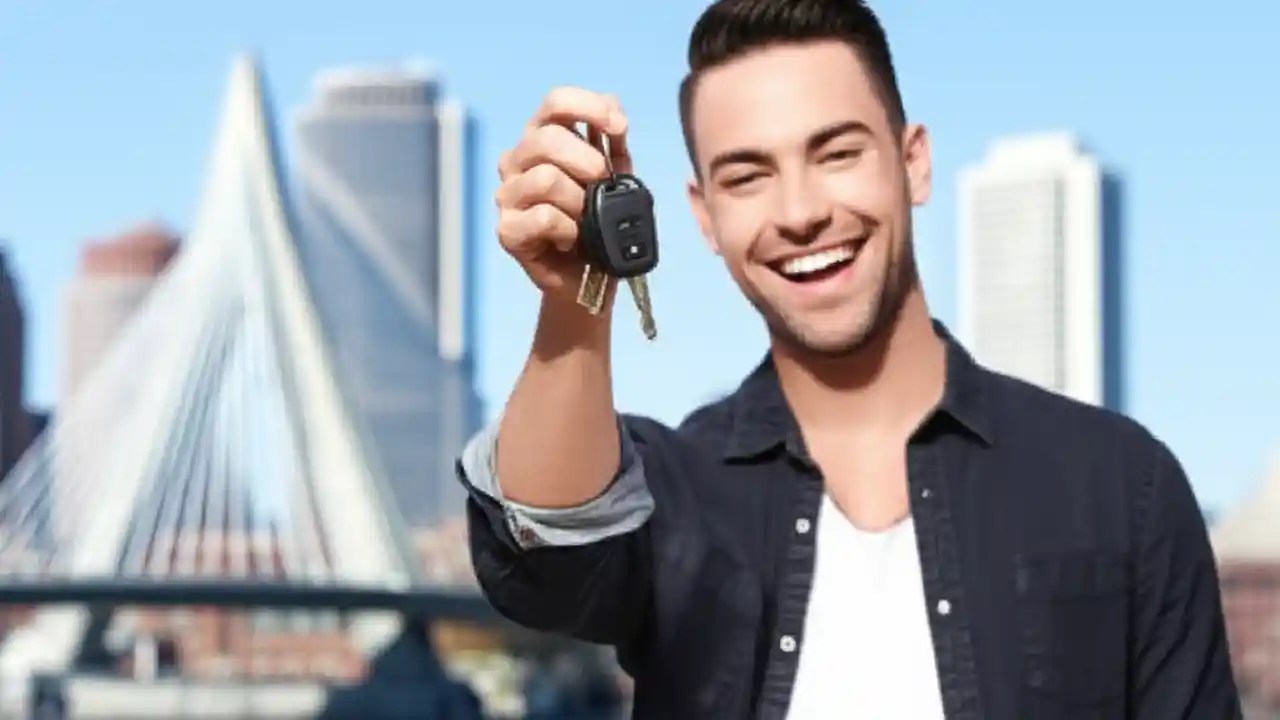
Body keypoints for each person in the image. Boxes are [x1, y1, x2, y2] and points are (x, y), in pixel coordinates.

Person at [458, 0, 1242, 717]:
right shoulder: (673, 492)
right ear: (704, 216)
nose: (801, 213)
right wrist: (576, 292)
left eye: (835, 153)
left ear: (914, 163)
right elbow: (550, 557)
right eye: (749, 175)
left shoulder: (1118, 484)